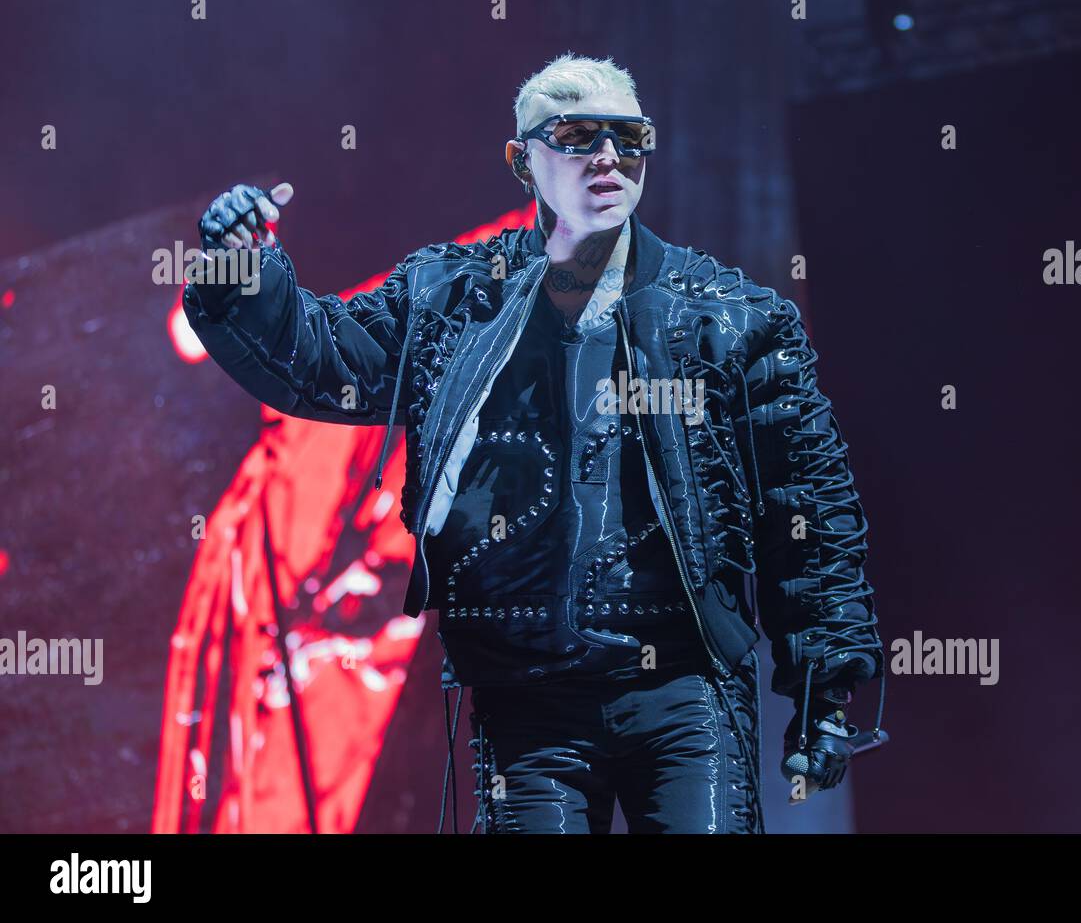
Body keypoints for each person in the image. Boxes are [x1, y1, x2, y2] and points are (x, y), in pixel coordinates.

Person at [184, 52, 885, 834]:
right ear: (523, 160)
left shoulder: (732, 317)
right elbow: (324, 361)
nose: (610, 157)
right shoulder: (453, 298)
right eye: (580, 136)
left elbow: (806, 505)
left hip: (688, 688)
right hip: (528, 702)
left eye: (630, 137)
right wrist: (242, 268)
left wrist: (825, 689)